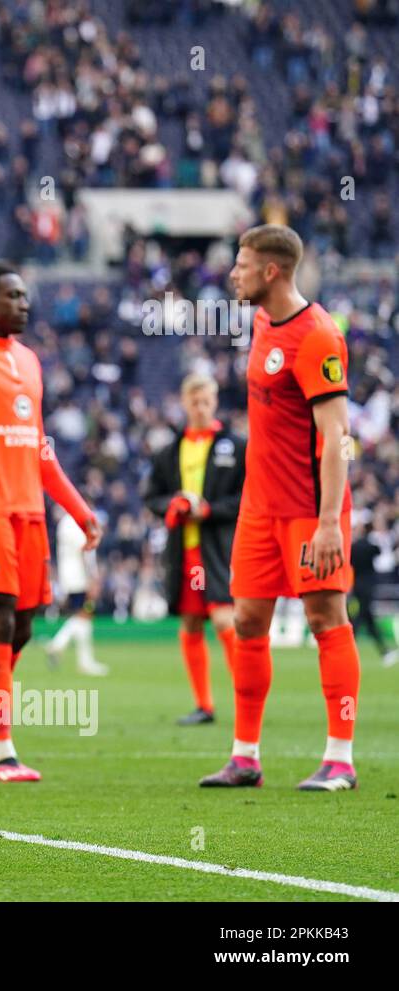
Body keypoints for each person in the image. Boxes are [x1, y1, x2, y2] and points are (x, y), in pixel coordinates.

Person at [201, 224, 360, 792]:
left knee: (325, 619)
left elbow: (339, 435)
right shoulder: (262, 320)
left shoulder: (318, 336)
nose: (232, 274)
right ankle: (245, 757)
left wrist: (328, 523)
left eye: (241, 264)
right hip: (257, 508)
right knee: (247, 622)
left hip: (307, 512)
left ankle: (339, 760)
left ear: (271, 271)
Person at [0, 263, 102, 782]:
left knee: (22, 628)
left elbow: (39, 447)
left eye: (26, 295)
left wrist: (77, 508)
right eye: (14, 296)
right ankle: (3, 750)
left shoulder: (29, 361)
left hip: (29, 510)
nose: (25, 304)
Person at [144, 373, 245, 724]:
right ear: (185, 403)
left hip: (219, 549)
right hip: (185, 552)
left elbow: (247, 497)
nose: (200, 408)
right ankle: (205, 705)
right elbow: (152, 496)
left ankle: (246, 695)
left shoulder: (235, 446)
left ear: (214, 402)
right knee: (190, 622)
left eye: (206, 401)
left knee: (223, 618)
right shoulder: (170, 451)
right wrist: (171, 507)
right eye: (194, 402)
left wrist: (209, 510)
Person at [46, 505, 109, 677]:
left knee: (83, 616)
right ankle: (59, 644)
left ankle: (83, 660)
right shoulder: (77, 522)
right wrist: (93, 578)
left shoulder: (63, 524)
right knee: (83, 615)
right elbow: (85, 550)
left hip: (68, 575)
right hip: (80, 577)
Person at [350, 515, 399, 667]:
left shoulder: (353, 546)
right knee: (363, 616)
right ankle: (350, 643)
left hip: (356, 585)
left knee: (367, 617)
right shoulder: (371, 546)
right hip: (369, 585)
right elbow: (382, 554)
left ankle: (384, 651)